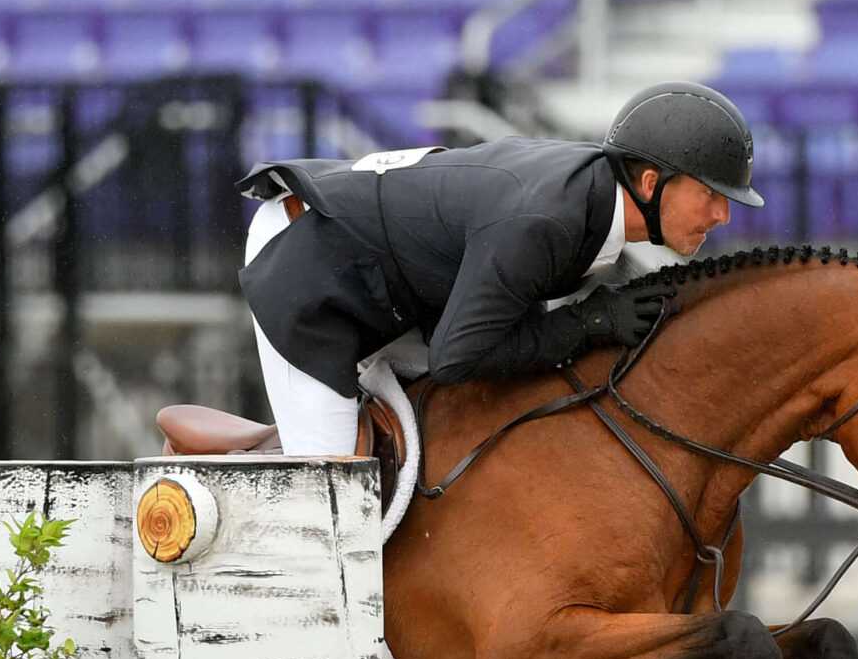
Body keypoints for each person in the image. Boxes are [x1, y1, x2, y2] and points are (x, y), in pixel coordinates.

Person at [234, 81, 762, 455]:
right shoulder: (547, 220)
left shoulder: (590, 201)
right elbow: (456, 358)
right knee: (333, 496)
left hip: (391, 278)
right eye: (711, 195)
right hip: (310, 264)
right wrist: (586, 324)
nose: (723, 214)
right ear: (650, 183)